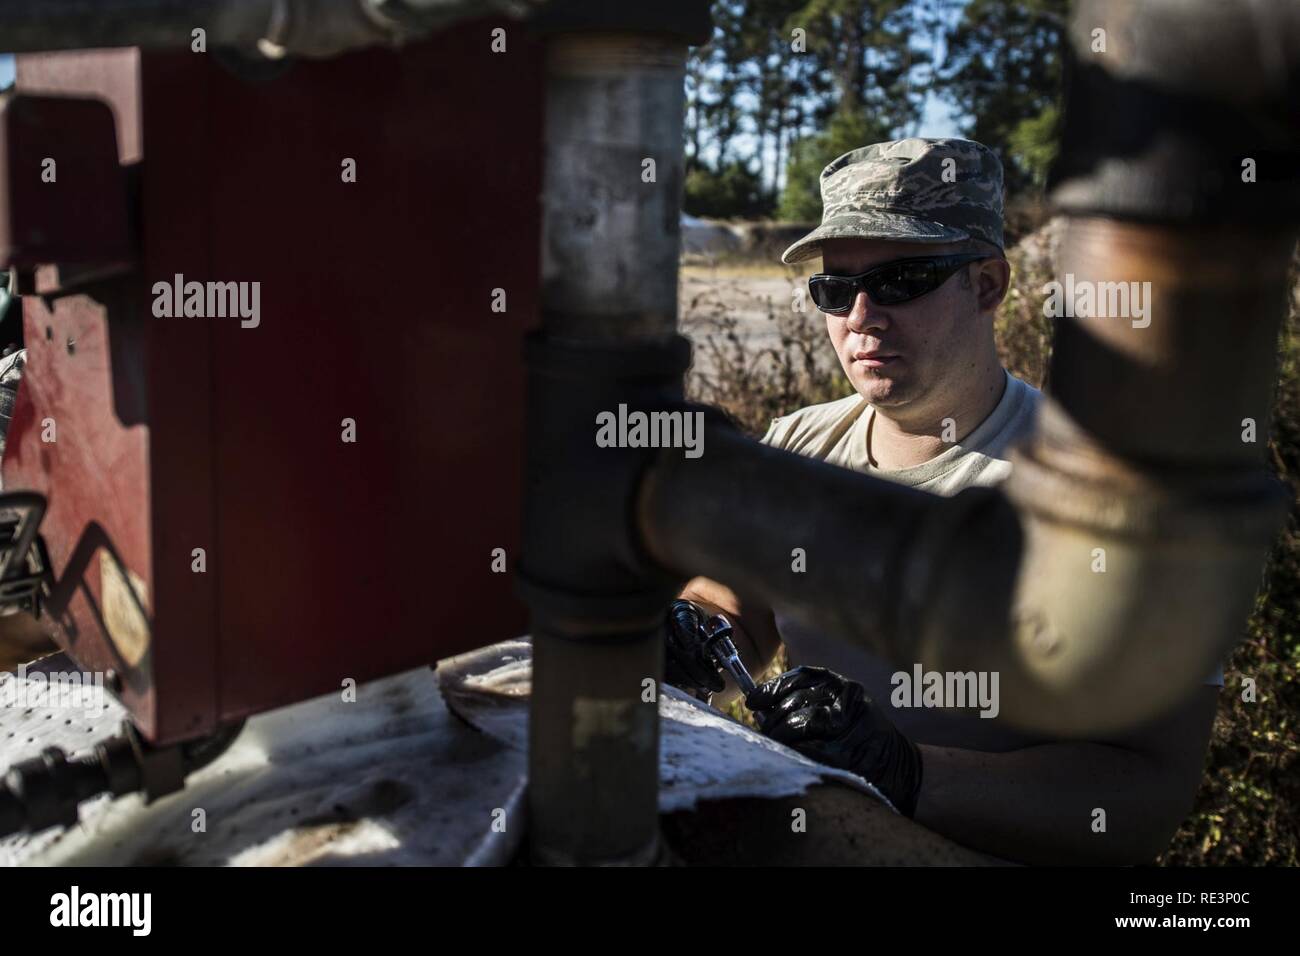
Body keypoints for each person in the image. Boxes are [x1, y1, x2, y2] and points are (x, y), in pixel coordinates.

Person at [666, 138, 1219, 866]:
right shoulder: (799, 446)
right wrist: (692, 638)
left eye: (902, 280)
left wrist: (908, 772)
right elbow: (737, 602)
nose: (861, 316)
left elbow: (1143, 792)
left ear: (988, 285)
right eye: (835, 288)